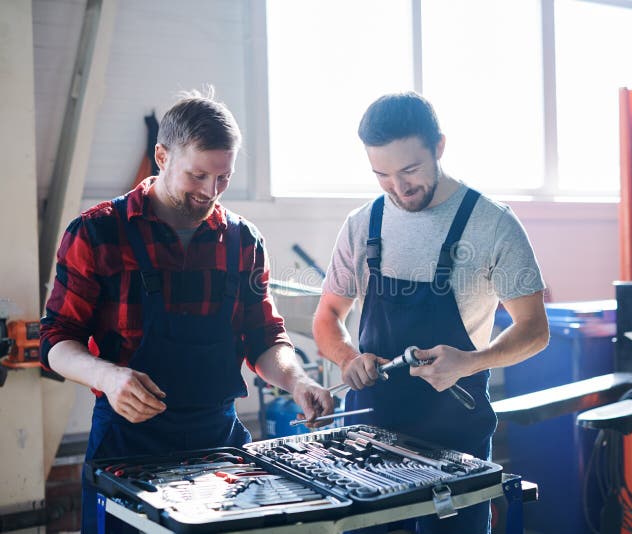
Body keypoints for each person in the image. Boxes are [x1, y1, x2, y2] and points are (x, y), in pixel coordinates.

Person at [40, 88, 334, 533]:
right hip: (127, 443)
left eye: (223, 179)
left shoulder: (242, 241)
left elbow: (265, 337)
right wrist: (107, 376)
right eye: (197, 176)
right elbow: (56, 340)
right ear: (161, 155)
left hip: (219, 443)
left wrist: (297, 379)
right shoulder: (97, 233)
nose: (209, 192)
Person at [313, 92, 550, 533]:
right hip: (370, 438)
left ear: (438, 147)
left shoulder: (493, 224)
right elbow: (328, 314)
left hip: (454, 439)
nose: (398, 188)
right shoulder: (363, 224)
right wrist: (349, 360)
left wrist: (472, 362)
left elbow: (535, 330)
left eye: (410, 171)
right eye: (381, 174)